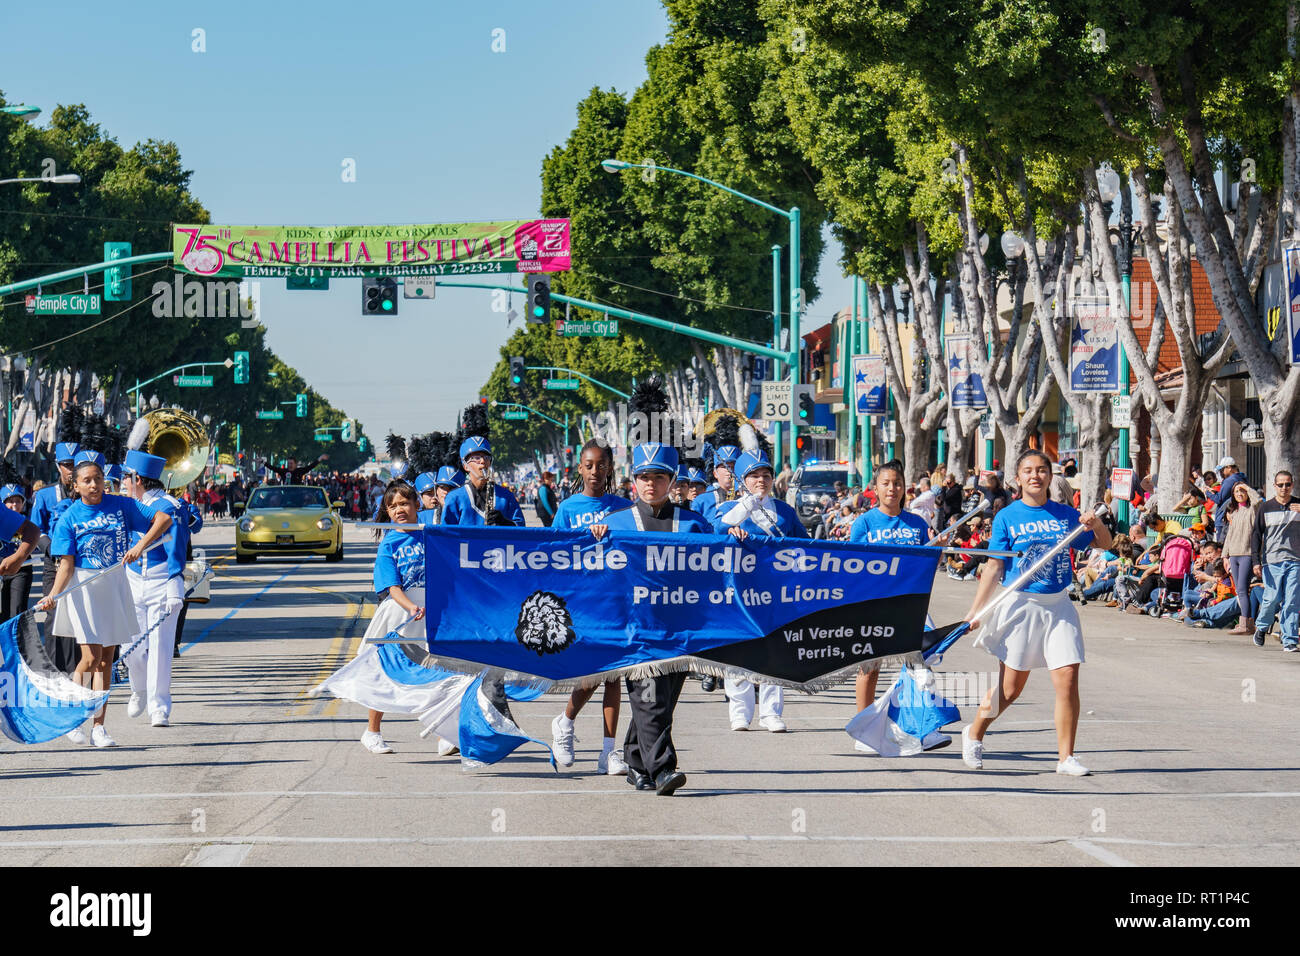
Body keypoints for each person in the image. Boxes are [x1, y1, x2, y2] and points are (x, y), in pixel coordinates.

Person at [961, 449, 1111, 776]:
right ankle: (974, 733)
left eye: (1042, 470)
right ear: (1018, 478)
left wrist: (1096, 524)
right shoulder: (1007, 517)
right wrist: (976, 613)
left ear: (1049, 476)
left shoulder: (1065, 514)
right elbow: (994, 566)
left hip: (1058, 605)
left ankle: (1065, 757)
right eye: (1028, 470)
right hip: (1021, 604)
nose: (1035, 475)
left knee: (1068, 678)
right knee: (1010, 690)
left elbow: (1105, 544)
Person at [589, 443, 709, 795]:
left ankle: (635, 759)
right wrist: (595, 542)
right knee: (651, 697)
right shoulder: (614, 524)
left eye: (658, 477)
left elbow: (721, 567)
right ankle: (662, 770)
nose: (650, 484)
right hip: (636, 630)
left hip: (682, 628)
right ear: (634, 481)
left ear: (672, 481)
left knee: (662, 703)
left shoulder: (694, 524)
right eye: (644, 477)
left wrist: (735, 538)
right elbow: (592, 572)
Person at [38, 452, 173, 748]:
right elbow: (66, 565)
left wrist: (139, 545)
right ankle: (74, 718)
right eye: (87, 481)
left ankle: (99, 727)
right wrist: (53, 596)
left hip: (114, 583)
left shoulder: (122, 505)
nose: (95, 485)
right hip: (84, 587)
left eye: (99, 479)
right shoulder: (69, 518)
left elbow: (163, 519)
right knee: (89, 658)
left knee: (106, 662)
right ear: (76, 486)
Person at [847, 460, 950, 752]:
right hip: (874, 602)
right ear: (875, 488)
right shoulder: (865, 523)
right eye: (886, 483)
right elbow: (853, 566)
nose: (892, 488)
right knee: (870, 667)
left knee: (919, 663)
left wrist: (938, 551)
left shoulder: (917, 523)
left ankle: (925, 728)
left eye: (897, 483)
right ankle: (863, 730)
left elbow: (927, 567)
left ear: (905, 487)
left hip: (910, 603)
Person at [549, 439, 632, 772]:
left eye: (601, 464)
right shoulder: (568, 508)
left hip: (616, 597)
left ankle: (609, 752)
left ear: (610, 467)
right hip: (583, 600)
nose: (595, 471)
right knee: (596, 671)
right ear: (580, 468)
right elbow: (552, 552)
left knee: (616, 675)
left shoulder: (624, 507)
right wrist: (586, 536)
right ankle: (565, 721)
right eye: (589, 464)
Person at [712, 449, 807, 733]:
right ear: (743, 480)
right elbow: (713, 533)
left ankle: (770, 713)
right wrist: (732, 529)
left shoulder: (785, 511)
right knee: (739, 651)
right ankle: (740, 712)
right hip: (738, 593)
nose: (761, 480)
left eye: (765, 474)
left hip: (776, 592)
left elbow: (805, 545)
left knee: (774, 651)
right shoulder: (727, 511)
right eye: (754, 475)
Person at [117, 450, 191, 727]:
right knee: (130, 647)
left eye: (126, 477)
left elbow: (176, 547)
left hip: (161, 579)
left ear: (138, 478)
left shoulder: (169, 506)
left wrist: (175, 584)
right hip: (133, 580)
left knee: (160, 646)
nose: (123, 482)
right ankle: (139, 688)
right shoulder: (128, 504)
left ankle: (159, 706)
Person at [357, 481, 428, 754]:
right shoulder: (389, 544)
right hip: (400, 611)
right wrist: (411, 607)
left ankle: (445, 735)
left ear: (416, 505)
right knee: (385, 671)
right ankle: (372, 731)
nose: (399, 509)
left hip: (432, 611)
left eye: (404, 503)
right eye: (393, 505)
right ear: (386, 511)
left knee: (439, 672)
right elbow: (392, 588)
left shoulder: (431, 535)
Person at [31, 441, 81, 671]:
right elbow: (35, 529)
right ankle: (53, 668)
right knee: (52, 612)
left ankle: (78, 667)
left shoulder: (89, 492)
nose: (70, 470)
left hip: (82, 561)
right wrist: (51, 549)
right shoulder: (44, 494)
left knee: (80, 613)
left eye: (74, 465)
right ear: (58, 466)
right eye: (66, 465)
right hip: (55, 561)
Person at [1250, 471, 1300, 651]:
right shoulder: (1266, 507)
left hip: (1295, 560)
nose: (1284, 488)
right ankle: (1262, 627)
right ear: (1274, 486)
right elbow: (1256, 534)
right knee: (1272, 599)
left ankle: (1290, 640)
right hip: (1272, 561)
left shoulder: (1298, 505)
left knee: (1292, 601)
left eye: (1287, 484)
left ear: (1292, 485)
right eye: (1280, 485)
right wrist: (1255, 560)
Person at [441, 437, 526, 527]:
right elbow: (446, 535)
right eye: (477, 458)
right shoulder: (454, 498)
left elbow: (521, 528)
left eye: (486, 457)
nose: (483, 461)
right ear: (465, 466)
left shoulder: (506, 496)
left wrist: (506, 523)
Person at [1222, 480, 1262, 635]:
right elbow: (1229, 536)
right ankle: (1248, 624)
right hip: (1234, 554)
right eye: (1236, 492)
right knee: (1240, 590)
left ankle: (1245, 623)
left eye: (1242, 491)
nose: (1239, 494)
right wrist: (1225, 556)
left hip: (1247, 554)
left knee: (1242, 589)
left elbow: (1258, 500)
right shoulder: (1234, 513)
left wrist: (1246, 487)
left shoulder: (1252, 509)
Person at [0, 484, 42, 620]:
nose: (14, 505)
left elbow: (35, 534)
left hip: (21, 569)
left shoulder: (24, 522)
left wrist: (18, 557)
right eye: (10, 501)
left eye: (18, 501)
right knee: (4, 612)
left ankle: (17, 639)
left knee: (17, 610)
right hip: (2, 569)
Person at [692, 445, 740, 527]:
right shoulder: (702, 501)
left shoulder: (749, 498)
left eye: (733, 466)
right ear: (715, 473)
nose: (729, 470)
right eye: (724, 466)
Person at [1208, 457, 1247, 544]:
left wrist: (1207, 492)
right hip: (1235, 516)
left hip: (1223, 519)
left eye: (1222, 470)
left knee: (1221, 546)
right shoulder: (1242, 478)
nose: (1221, 473)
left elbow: (1219, 499)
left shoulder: (1230, 480)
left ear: (1229, 468)